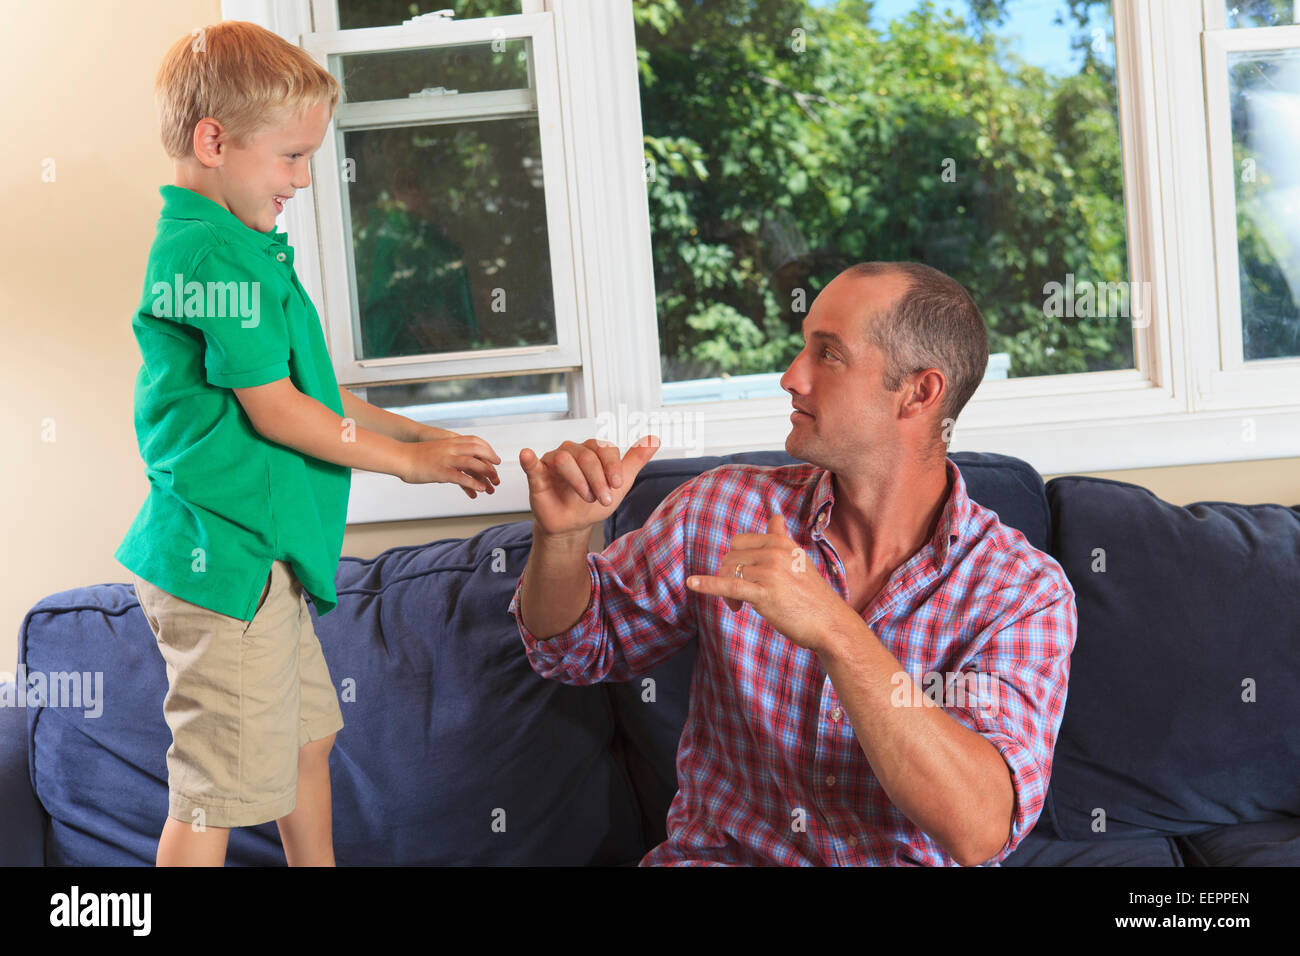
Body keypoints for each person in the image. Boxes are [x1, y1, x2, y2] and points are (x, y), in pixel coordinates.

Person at [511, 261, 1077, 866]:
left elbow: (979, 828)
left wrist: (835, 629)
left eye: (828, 354)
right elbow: (573, 649)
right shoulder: (723, 508)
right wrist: (563, 541)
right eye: (803, 346)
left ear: (920, 392)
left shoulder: (1020, 592)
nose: (791, 376)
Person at [116, 21, 502, 867]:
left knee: (306, 744)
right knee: (215, 789)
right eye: (290, 158)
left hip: (263, 561)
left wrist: (426, 432)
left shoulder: (241, 246)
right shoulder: (211, 254)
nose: (302, 180)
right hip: (226, 565)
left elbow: (315, 394)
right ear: (212, 141)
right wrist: (408, 463)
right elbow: (278, 412)